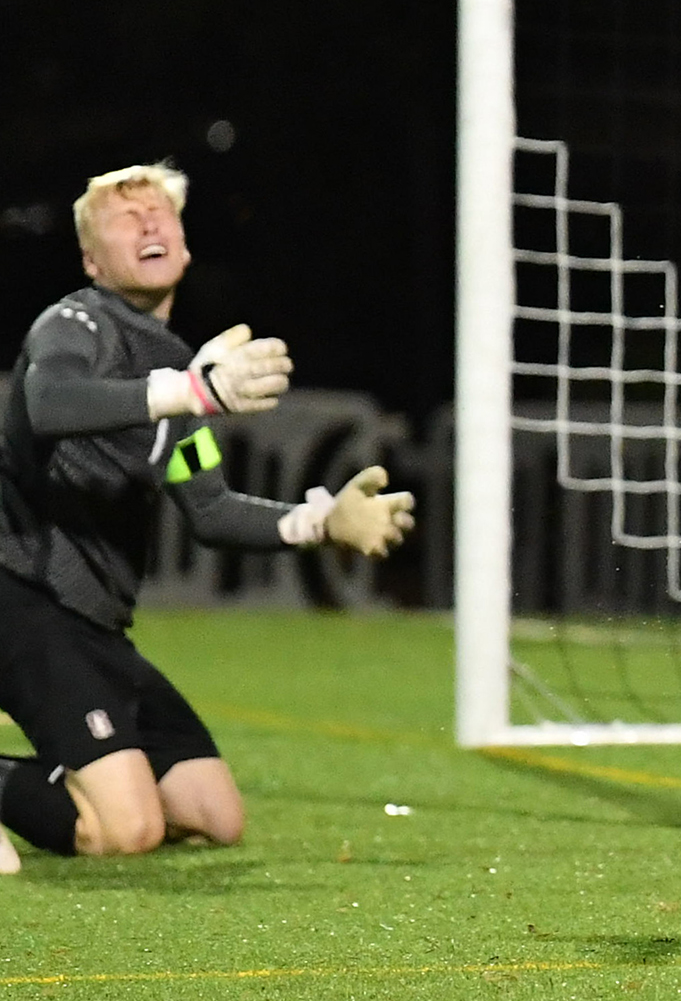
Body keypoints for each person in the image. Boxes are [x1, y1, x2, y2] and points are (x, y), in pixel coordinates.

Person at [0, 163, 416, 873]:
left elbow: (210, 508)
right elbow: (49, 403)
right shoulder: (74, 324)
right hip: (25, 605)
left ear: (186, 246)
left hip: (98, 629)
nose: (150, 223)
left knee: (213, 815)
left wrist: (320, 523)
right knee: (125, 832)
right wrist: (194, 389)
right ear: (92, 260)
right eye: (126, 219)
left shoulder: (172, 367)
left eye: (161, 213)